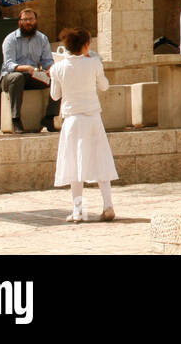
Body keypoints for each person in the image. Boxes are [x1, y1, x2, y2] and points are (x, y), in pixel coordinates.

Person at [50, 27, 118, 222]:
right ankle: (108, 205)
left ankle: (78, 210)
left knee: (73, 162)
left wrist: (54, 75)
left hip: (72, 119)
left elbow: (55, 95)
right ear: (86, 45)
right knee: (101, 159)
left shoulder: (58, 68)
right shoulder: (94, 63)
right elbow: (104, 86)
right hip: (93, 118)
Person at [0, 6, 60, 133]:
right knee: (18, 77)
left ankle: (49, 118)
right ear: (20, 22)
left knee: (57, 78)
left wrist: (50, 69)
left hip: (33, 76)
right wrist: (25, 68)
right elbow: (8, 64)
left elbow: (47, 60)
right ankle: (16, 120)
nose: (28, 22)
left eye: (31, 19)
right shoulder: (10, 39)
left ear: (36, 21)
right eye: (25, 20)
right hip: (10, 77)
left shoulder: (42, 39)